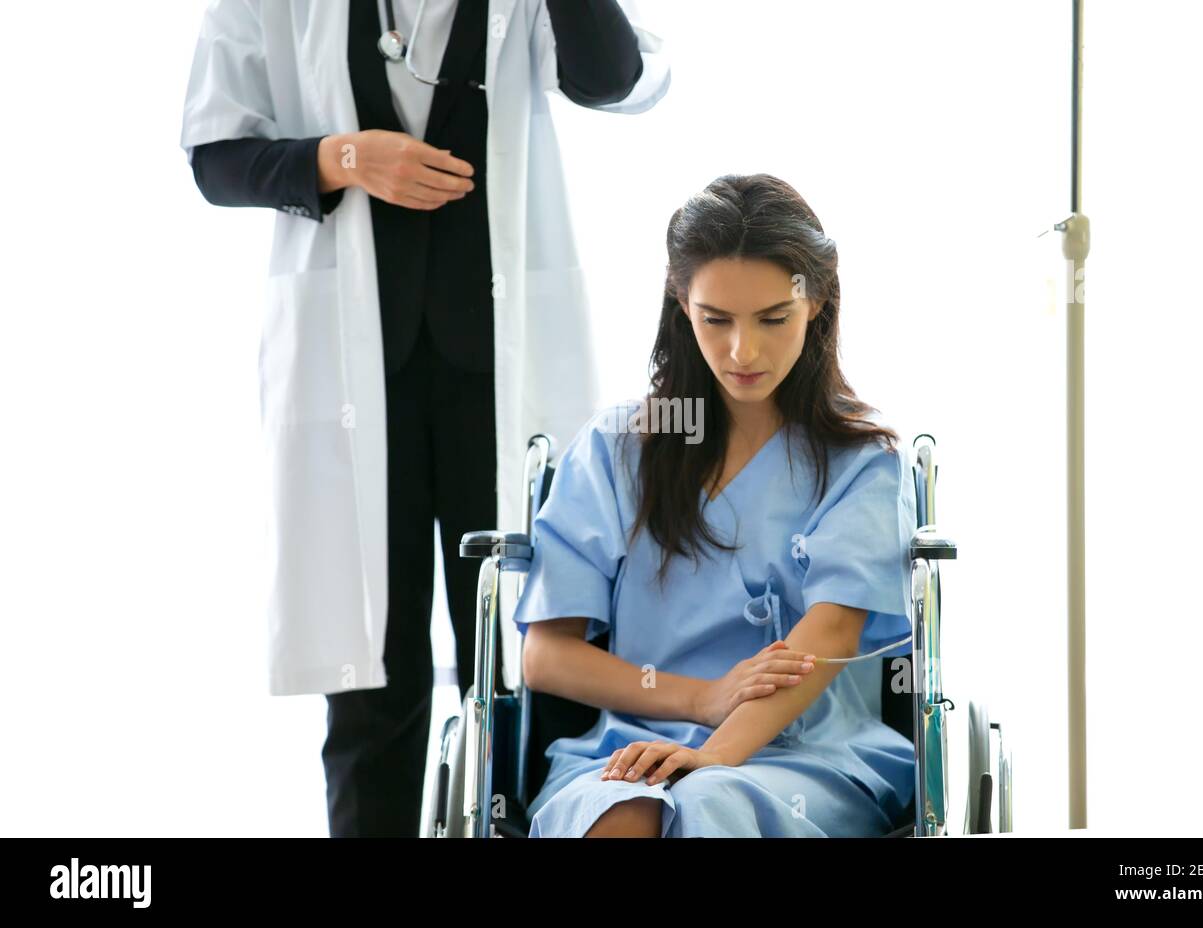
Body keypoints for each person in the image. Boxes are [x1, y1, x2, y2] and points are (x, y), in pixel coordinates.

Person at [179, 0, 670, 837]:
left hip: (505, 380)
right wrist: (341, 159)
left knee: (533, 674)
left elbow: (615, 76)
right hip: (353, 385)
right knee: (373, 685)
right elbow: (215, 154)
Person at [513, 174, 919, 837]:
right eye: (716, 319)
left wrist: (712, 754)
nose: (743, 352)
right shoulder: (620, 447)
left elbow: (831, 634)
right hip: (627, 741)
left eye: (773, 319)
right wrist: (699, 701)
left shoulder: (861, 460)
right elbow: (547, 657)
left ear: (814, 303)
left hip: (805, 754)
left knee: (708, 806)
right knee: (623, 810)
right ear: (681, 302)